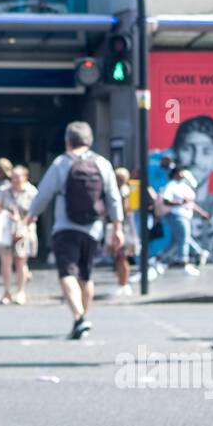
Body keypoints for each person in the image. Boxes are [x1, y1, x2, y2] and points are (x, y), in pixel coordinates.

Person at [25, 121, 123, 340]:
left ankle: (79, 318)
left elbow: (43, 194)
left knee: (67, 273)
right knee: (86, 276)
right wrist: (117, 226)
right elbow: (113, 197)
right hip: (93, 229)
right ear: (89, 141)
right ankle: (81, 320)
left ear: (68, 141)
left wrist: (31, 216)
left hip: (65, 227)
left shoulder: (61, 163)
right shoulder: (102, 163)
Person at [172, 115, 213, 261]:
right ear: (176, 153)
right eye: (187, 148)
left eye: (206, 151)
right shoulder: (170, 190)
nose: (196, 159)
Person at [0, 164, 39, 305]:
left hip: (23, 230)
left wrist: (22, 221)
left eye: (18, 176)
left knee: (21, 261)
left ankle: (21, 291)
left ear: (25, 177)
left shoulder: (31, 192)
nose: (15, 179)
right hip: (6, 230)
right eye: (13, 176)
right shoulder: (4, 190)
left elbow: (35, 213)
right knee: (5, 262)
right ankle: (6, 291)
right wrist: (6, 213)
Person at [159, 167, 210, 276]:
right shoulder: (171, 185)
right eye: (180, 172)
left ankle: (159, 258)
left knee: (177, 239)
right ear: (175, 174)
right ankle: (183, 261)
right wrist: (180, 202)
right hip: (176, 215)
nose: (182, 174)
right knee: (183, 237)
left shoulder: (184, 186)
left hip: (186, 216)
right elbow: (166, 201)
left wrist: (201, 213)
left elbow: (190, 203)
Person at [112, 167, 141, 297]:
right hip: (127, 225)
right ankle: (122, 283)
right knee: (120, 256)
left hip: (124, 227)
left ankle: (123, 284)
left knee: (122, 256)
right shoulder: (128, 189)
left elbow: (124, 210)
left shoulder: (123, 191)